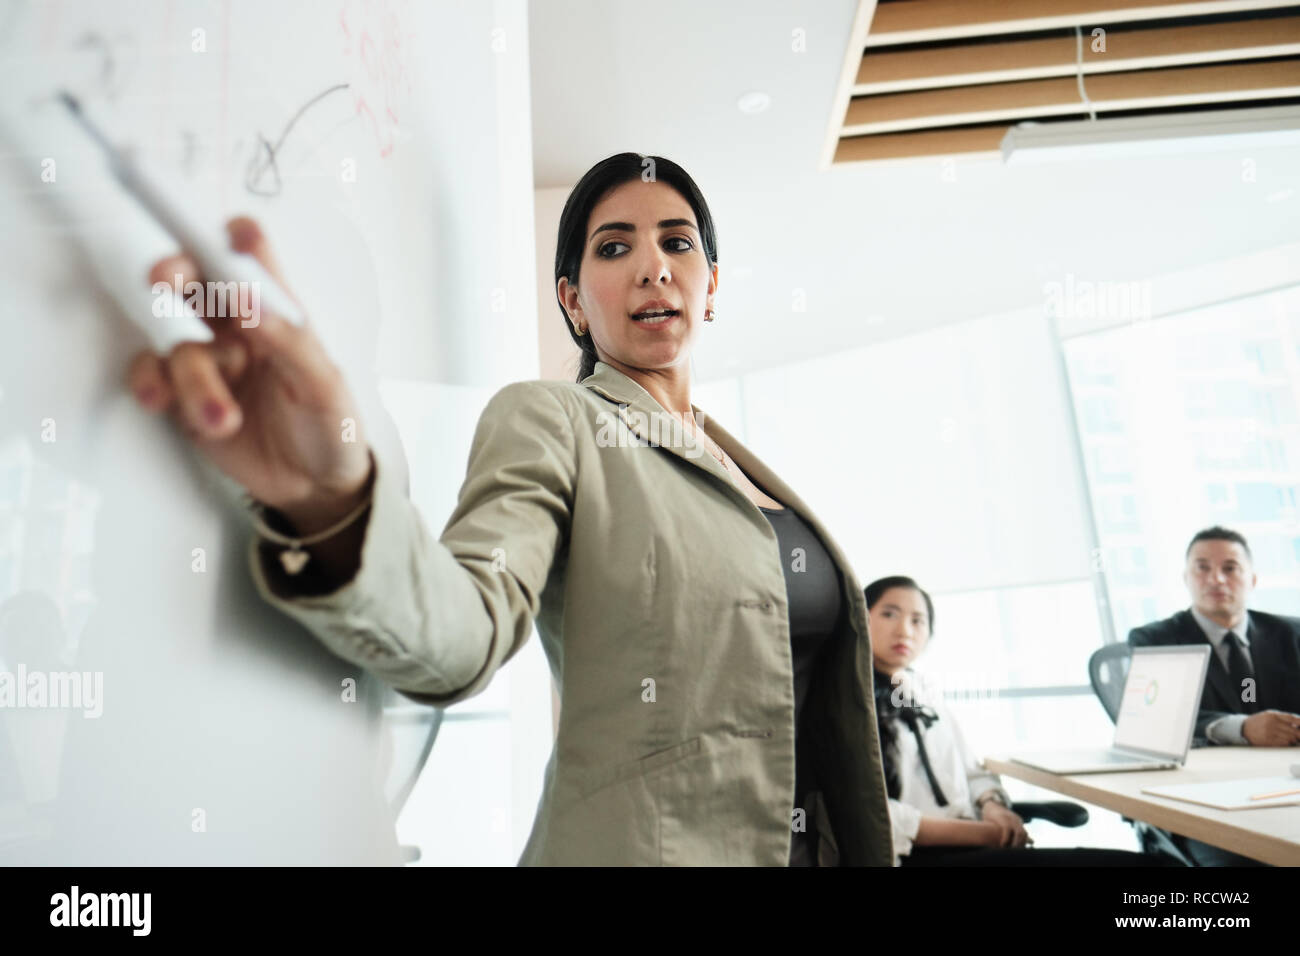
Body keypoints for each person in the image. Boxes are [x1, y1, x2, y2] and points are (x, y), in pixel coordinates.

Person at [123, 153, 893, 866]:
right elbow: (463, 634)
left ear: (712, 286)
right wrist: (326, 497)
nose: (654, 266)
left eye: (679, 243)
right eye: (615, 248)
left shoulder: (750, 471)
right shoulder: (554, 420)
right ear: (574, 301)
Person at [867, 576, 1172, 867]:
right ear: (861, 617)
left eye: (918, 620)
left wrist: (992, 805)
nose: (905, 630)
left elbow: (973, 771)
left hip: (975, 842)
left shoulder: (922, 692)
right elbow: (873, 818)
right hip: (919, 856)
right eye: (889, 614)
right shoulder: (851, 704)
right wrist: (986, 833)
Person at [1127, 525, 1300, 865]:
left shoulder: (1290, 633)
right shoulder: (1155, 639)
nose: (1216, 579)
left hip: (1284, 790)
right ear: (1186, 578)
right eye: (1202, 568)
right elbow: (1155, 722)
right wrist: (1242, 727)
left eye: (1230, 568)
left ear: (1252, 579)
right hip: (1202, 800)